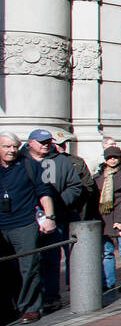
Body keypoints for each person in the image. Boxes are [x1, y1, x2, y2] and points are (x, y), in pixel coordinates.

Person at [0, 132, 57, 324]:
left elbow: (44, 192)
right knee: (6, 270)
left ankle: (30, 308)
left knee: (29, 267)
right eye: (7, 146)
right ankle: (9, 308)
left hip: (24, 224)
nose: (12, 150)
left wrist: (49, 217)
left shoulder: (28, 165)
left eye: (14, 146)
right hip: (1, 227)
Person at [23, 128, 83, 313]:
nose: (46, 144)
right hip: (25, 220)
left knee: (51, 258)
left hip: (55, 218)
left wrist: (57, 203)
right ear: (30, 143)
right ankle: (30, 301)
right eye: (41, 142)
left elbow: (76, 186)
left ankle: (51, 296)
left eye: (48, 141)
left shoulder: (62, 161)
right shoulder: (19, 161)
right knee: (29, 262)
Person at [94, 146, 121, 291]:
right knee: (106, 252)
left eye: (115, 157)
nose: (112, 160)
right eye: (109, 158)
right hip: (104, 218)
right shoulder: (99, 177)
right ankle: (108, 282)